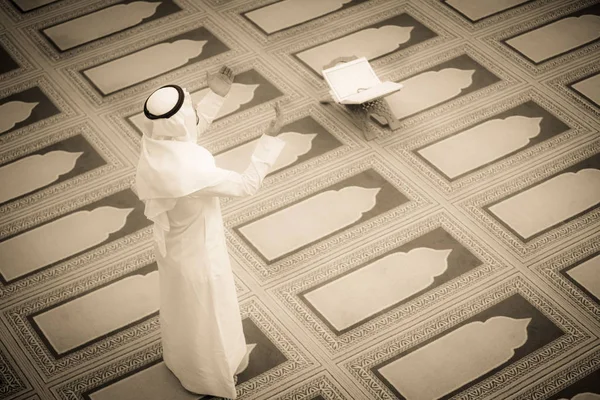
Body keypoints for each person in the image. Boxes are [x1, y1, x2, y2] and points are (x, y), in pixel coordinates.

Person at [135, 66, 286, 399]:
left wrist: (215, 95)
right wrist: (270, 140)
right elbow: (246, 185)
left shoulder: (155, 146)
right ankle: (212, 376)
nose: (191, 114)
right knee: (210, 317)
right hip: (202, 257)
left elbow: (186, 132)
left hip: (172, 253)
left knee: (182, 313)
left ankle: (186, 365)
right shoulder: (193, 171)